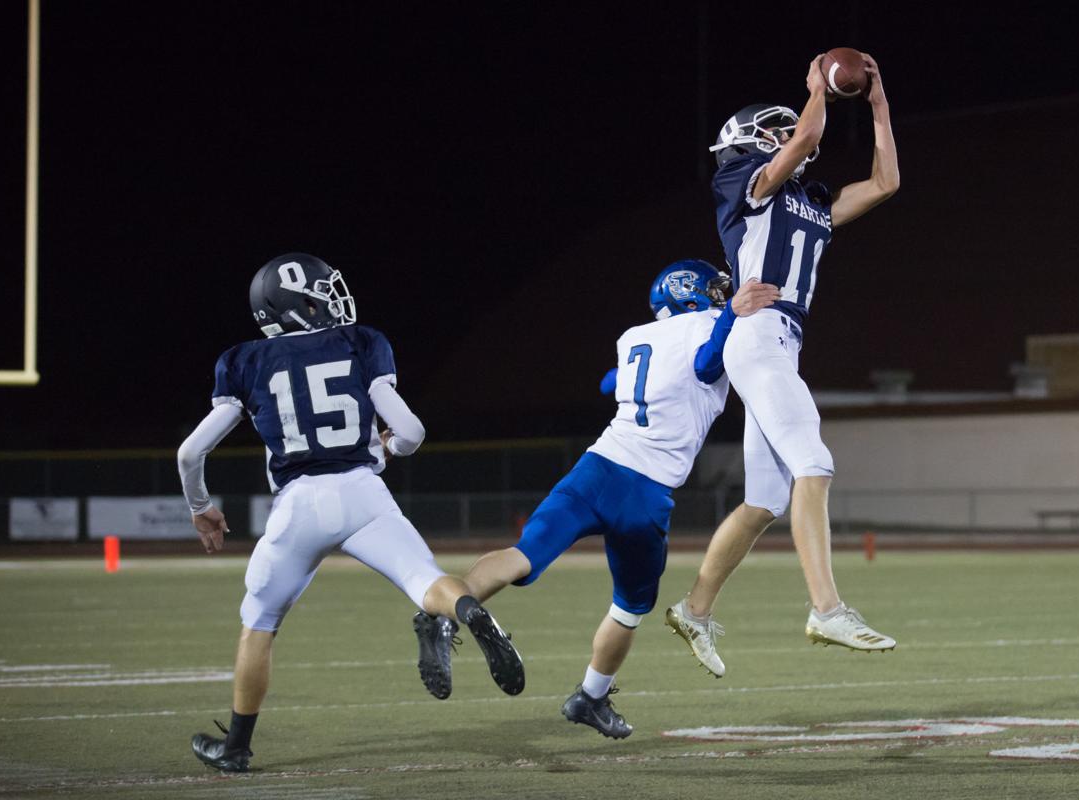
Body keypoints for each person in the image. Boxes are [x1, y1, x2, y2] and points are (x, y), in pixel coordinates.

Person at [176, 252, 524, 773]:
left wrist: (202, 507)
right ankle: (474, 615)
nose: (333, 300)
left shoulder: (242, 360)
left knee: (260, 622)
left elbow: (189, 453)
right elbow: (410, 431)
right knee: (426, 581)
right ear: (297, 305)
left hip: (297, 504)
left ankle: (237, 748)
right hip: (364, 492)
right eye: (321, 293)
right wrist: (386, 450)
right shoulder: (363, 342)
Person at [413, 261, 780, 738]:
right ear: (692, 294)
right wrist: (731, 313)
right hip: (645, 495)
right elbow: (708, 361)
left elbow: (610, 383)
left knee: (524, 554)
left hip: (596, 468)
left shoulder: (633, 338)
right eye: (713, 290)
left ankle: (445, 611)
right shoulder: (712, 324)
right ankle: (590, 696)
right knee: (628, 608)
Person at [665, 53, 900, 678]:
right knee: (814, 463)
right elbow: (807, 137)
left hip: (779, 341)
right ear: (745, 141)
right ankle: (826, 608)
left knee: (765, 499)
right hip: (759, 335)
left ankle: (693, 608)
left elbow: (884, 185)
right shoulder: (742, 183)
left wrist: (878, 107)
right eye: (772, 130)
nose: (784, 134)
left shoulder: (809, 200)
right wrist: (818, 87)